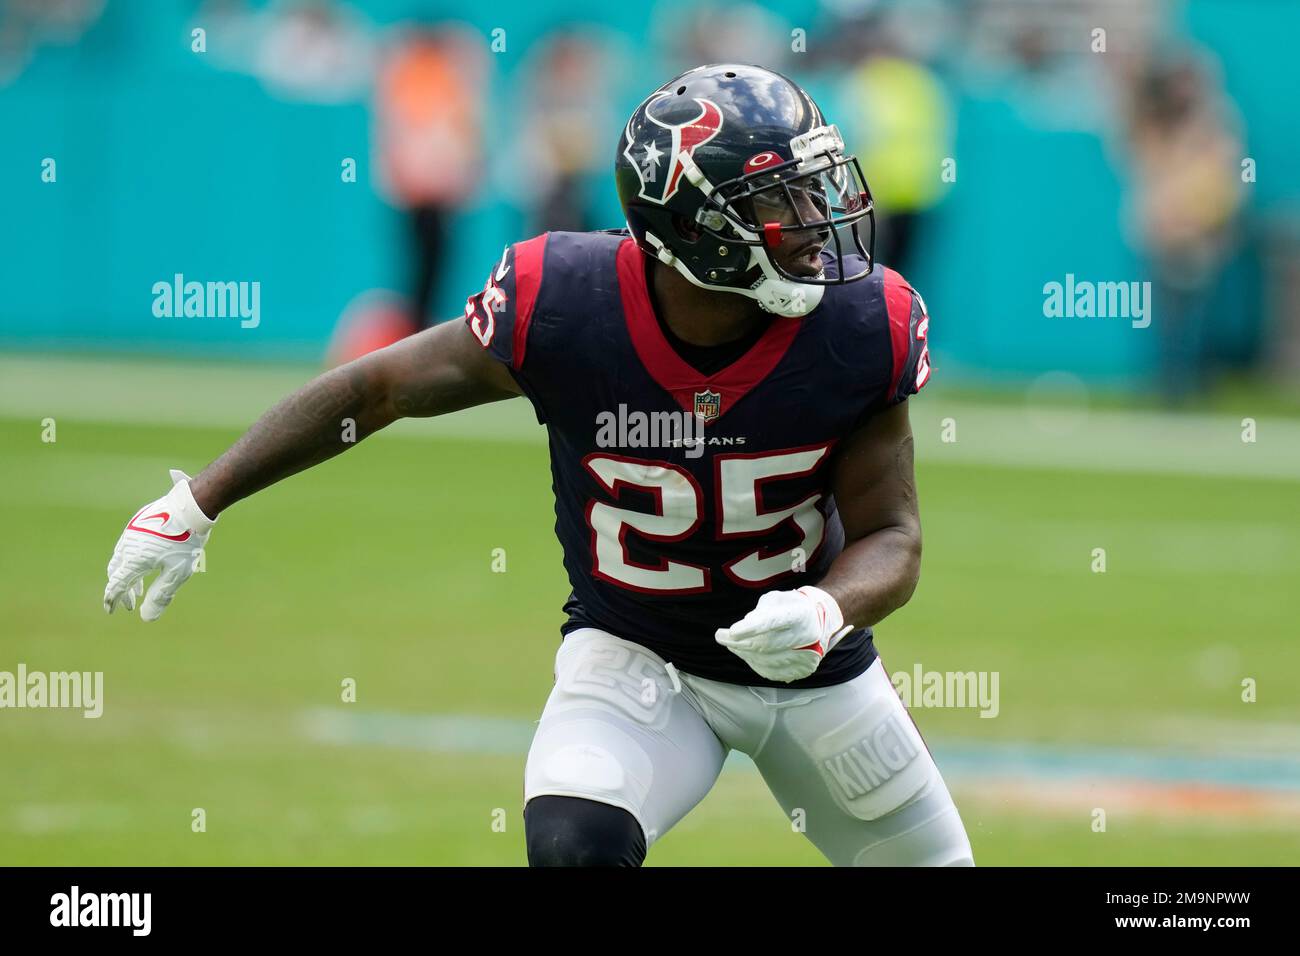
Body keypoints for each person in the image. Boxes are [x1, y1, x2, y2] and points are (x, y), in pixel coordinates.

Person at [103, 64, 972, 867]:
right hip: (639, 660)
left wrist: (827, 608)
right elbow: (375, 390)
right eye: (780, 200)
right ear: (695, 228)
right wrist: (199, 502)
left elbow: (894, 534)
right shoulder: (566, 304)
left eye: (814, 187)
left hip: (813, 674)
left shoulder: (862, 325)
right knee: (573, 844)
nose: (818, 223)